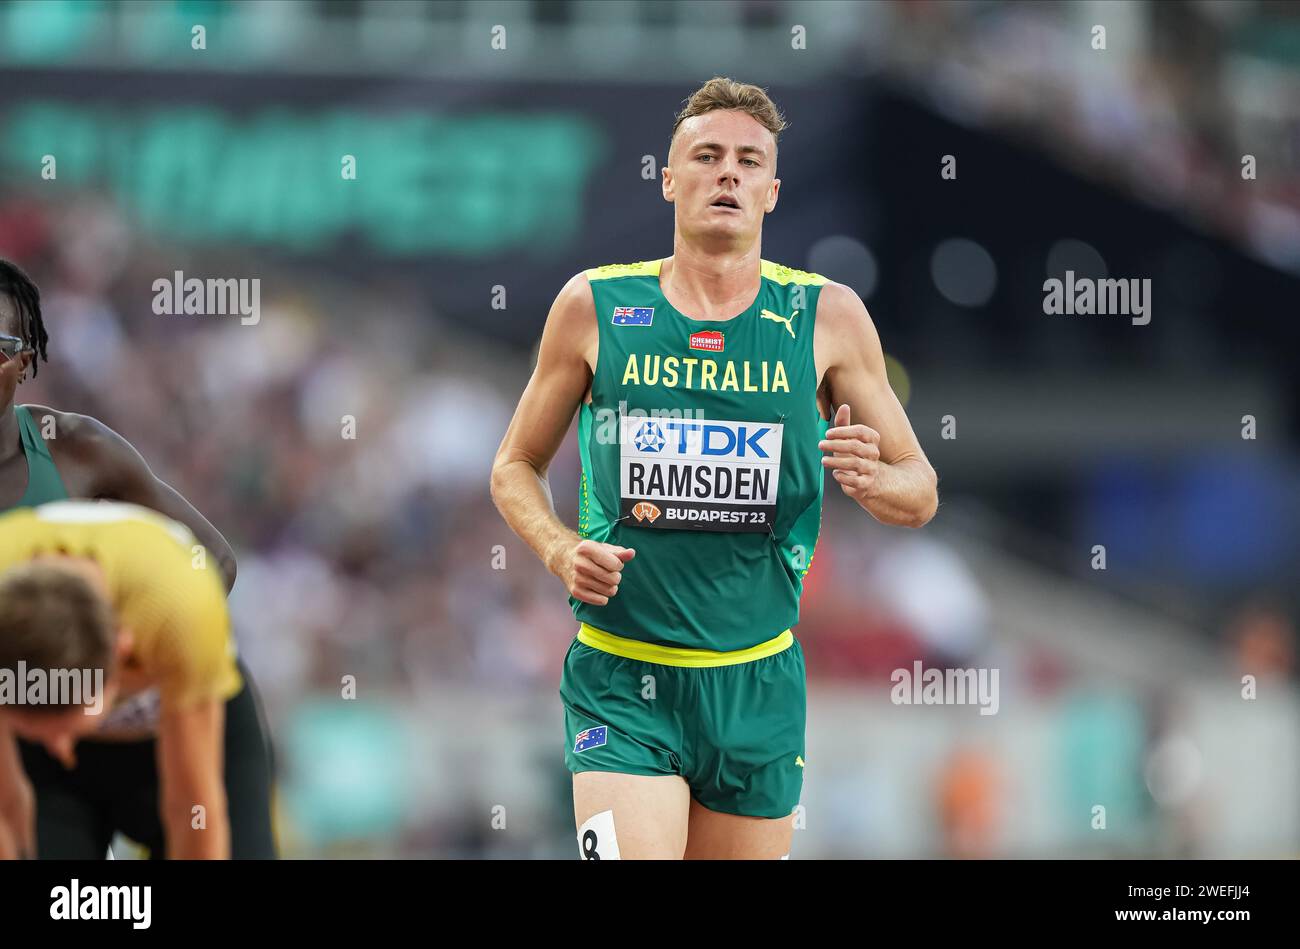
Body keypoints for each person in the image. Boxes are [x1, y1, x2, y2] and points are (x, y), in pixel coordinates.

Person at [491, 77, 938, 859]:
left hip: (757, 684)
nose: (727, 173)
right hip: (623, 680)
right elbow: (513, 466)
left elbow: (920, 488)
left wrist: (874, 481)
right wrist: (561, 549)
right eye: (706, 156)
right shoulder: (593, 306)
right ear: (670, 180)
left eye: (747, 160)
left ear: (771, 190)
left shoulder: (825, 316)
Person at [0, 257, 275, 858]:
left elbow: (217, 562)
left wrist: (121, 662)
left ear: (25, 361)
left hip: (172, 718)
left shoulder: (77, 449)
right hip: (46, 737)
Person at [0, 501, 239, 859]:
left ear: (121, 651)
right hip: (56, 782)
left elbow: (193, 805)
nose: (62, 750)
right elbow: (7, 802)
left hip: (178, 713)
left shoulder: (180, 608)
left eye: (69, 727)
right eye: (36, 731)